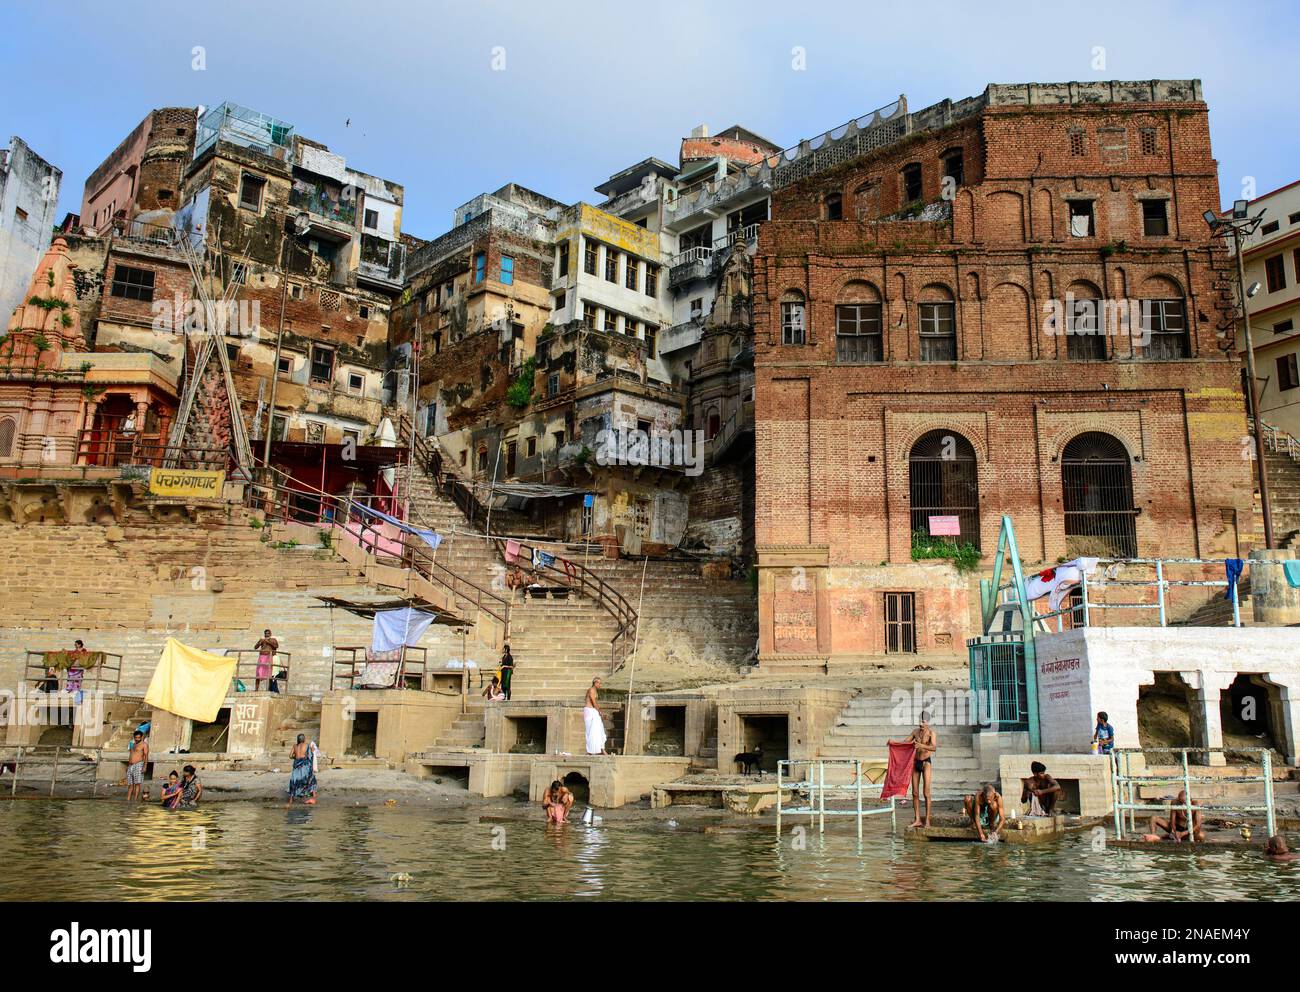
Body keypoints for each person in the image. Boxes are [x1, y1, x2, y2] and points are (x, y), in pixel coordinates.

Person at [889, 711, 938, 828]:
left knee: (926, 792)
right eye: (920, 721)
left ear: (928, 722)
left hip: (926, 763)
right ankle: (917, 820)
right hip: (915, 762)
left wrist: (921, 745)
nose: (921, 724)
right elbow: (905, 742)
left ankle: (927, 820)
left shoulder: (932, 733)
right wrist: (894, 743)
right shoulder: (915, 732)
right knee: (915, 793)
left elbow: (934, 747)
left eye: (923, 722)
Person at [287, 733, 317, 806]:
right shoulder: (307, 745)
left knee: (294, 780)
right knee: (310, 778)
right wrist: (312, 750)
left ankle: (290, 800)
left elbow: (290, 756)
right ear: (304, 739)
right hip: (304, 765)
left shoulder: (294, 746)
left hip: (296, 765)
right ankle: (313, 797)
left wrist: (296, 757)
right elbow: (310, 755)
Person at [584, 678, 608, 755]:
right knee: (591, 732)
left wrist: (599, 712)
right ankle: (590, 751)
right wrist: (600, 712)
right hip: (589, 711)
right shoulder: (591, 690)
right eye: (599, 683)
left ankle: (601, 749)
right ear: (595, 683)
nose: (600, 685)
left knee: (599, 730)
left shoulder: (595, 691)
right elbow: (593, 702)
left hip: (593, 712)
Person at [125, 730, 149, 802]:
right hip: (131, 765)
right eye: (136, 738)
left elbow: (146, 756)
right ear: (134, 737)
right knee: (130, 784)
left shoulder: (144, 744)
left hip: (139, 764)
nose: (137, 739)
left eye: (139, 738)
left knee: (137, 783)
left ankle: (135, 800)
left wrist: (145, 766)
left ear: (141, 737)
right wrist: (128, 766)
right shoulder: (133, 744)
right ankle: (128, 800)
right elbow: (131, 755)